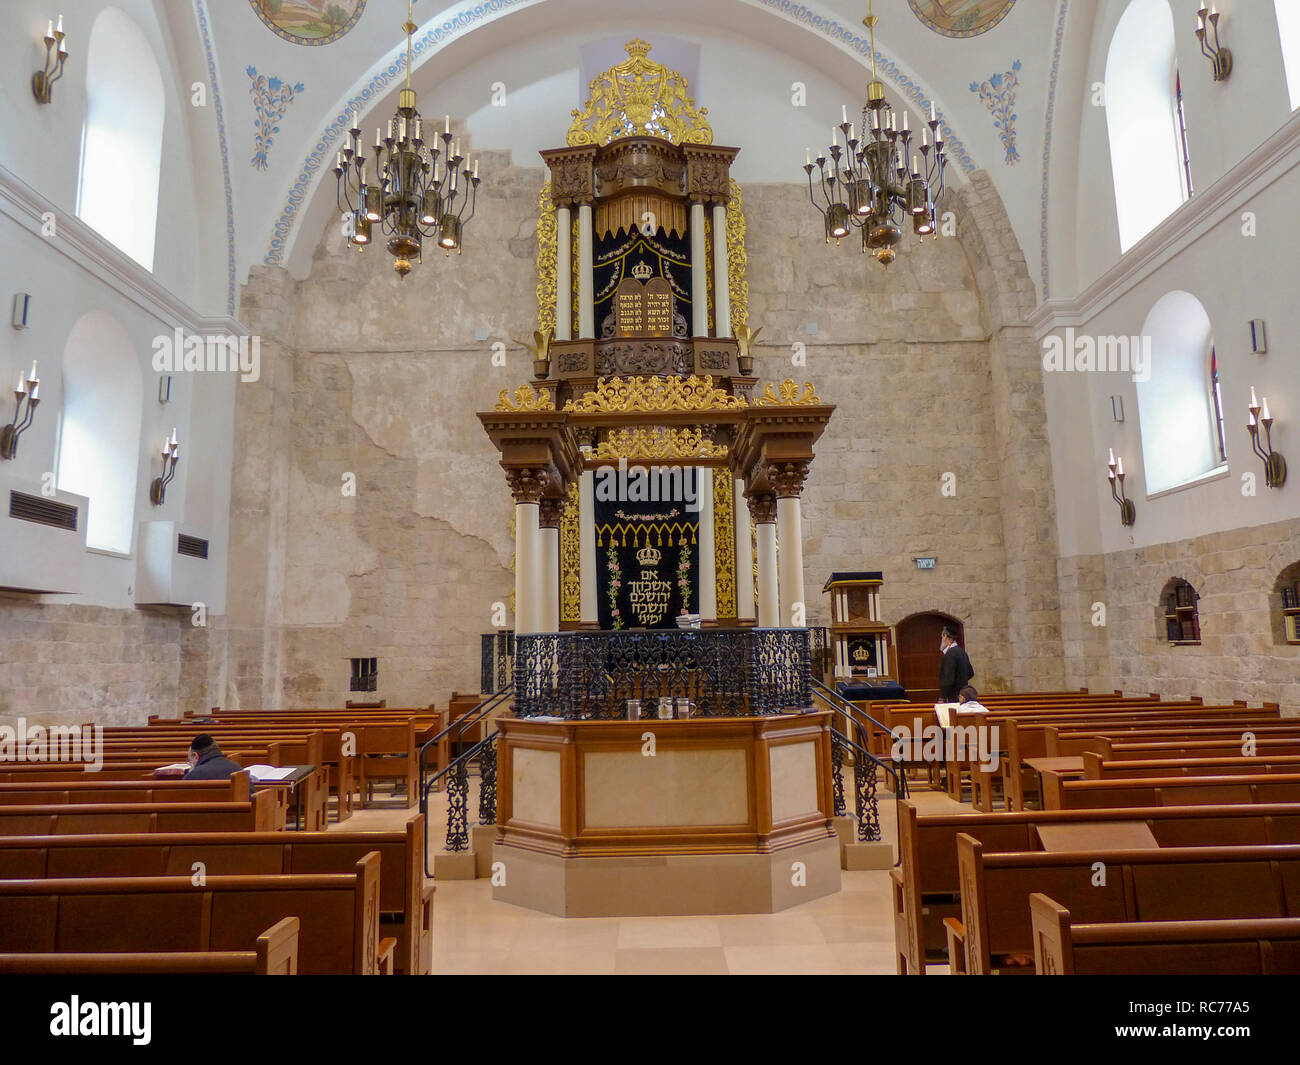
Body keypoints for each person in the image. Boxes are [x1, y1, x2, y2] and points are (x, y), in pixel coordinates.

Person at [938, 625, 974, 702]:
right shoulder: (962, 652)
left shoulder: (950, 654)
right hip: (963, 694)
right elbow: (971, 673)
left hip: (953, 696)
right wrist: (961, 681)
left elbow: (948, 679)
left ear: (945, 637)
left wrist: (942, 697)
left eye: (942, 637)